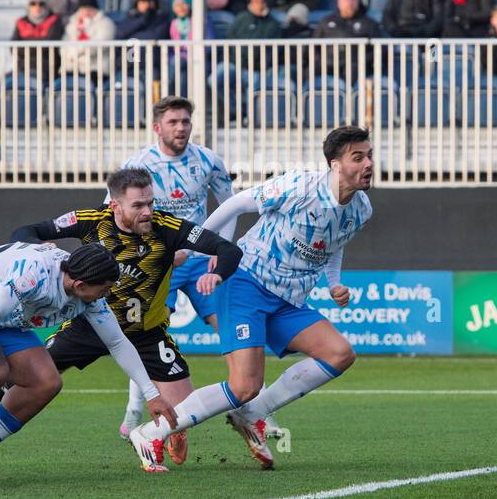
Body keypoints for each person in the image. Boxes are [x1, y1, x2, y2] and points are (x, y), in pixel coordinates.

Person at [126, 127, 374, 471]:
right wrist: (205, 245)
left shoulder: (361, 208)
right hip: (246, 281)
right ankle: (152, 432)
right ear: (334, 164)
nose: (368, 164)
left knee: (339, 353)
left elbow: (335, 243)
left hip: (288, 299)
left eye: (369, 156)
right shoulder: (301, 185)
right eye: (358, 157)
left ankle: (252, 413)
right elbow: (236, 203)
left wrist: (334, 283)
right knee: (244, 385)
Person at [10, 165, 243, 467]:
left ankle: (163, 433)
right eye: (138, 205)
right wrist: (37, 247)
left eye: (150, 202)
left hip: (146, 333)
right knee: (22, 377)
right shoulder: (91, 220)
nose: (148, 211)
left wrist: (218, 274)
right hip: (90, 325)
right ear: (115, 205)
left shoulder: (167, 227)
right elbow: (25, 231)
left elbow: (228, 249)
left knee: (184, 411)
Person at [0, 241, 177, 482]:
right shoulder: (34, 274)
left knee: (46, 382)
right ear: (80, 285)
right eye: (104, 290)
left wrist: (152, 395)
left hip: (7, 318)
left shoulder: (87, 292)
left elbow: (117, 342)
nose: (107, 296)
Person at [64, 0, 115, 76]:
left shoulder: (106, 23)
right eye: (83, 9)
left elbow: (96, 47)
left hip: (96, 70)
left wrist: (76, 52)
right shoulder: (73, 24)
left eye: (89, 9)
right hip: (72, 69)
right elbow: (64, 47)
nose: (86, 13)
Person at [313, 0, 381, 40]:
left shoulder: (369, 24)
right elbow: (313, 48)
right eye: (346, 0)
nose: (349, 3)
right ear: (339, 2)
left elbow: (380, 51)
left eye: (352, 0)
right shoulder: (326, 21)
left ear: (357, 2)